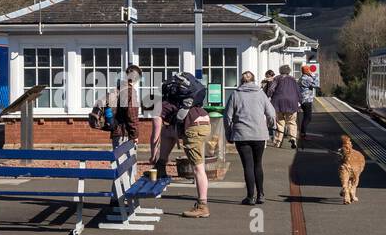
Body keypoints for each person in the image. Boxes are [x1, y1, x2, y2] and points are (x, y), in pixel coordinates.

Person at [153, 87, 212, 219]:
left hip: (193, 127)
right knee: (167, 132)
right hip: (204, 121)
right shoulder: (179, 102)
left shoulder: (160, 107)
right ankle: (161, 165)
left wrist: (153, 155)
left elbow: (155, 135)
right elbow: (168, 132)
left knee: (198, 168)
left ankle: (202, 206)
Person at [224, 70, 277, 205]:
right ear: (253, 81)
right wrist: (271, 126)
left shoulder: (235, 94)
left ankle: (250, 196)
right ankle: (261, 194)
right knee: (258, 164)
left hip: (241, 134)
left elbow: (228, 117)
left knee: (248, 165)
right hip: (259, 134)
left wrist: (229, 133)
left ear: (241, 81)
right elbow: (271, 113)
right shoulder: (260, 94)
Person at [105, 64, 142, 145]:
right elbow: (132, 116)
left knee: (118, 157)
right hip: (125, 134)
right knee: (126, 157)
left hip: (116, 132)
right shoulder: (130, 92)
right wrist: (135, 135)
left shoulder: (117, 89)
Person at [268, 64, 302, 148]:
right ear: (289, 71)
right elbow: (298, 91)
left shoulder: (277, 78)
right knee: (292, 122)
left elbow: (271, 89)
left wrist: (269, 95)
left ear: (280, 71)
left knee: (280, 122)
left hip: (278, 102)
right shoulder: (293, 79)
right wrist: (300, 101)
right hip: (292, 103)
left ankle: (278, 141)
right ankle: (293, 138)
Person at [298, 64, 320, 143]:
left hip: (303, 100)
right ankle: (303, 134)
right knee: (307, 117)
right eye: (309, 70)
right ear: (307, 71)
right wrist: (314, 76)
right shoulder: (307, 78)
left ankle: (303, 133)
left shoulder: (301, 78)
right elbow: (317, 85)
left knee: (306, 117)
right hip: (307, 100)